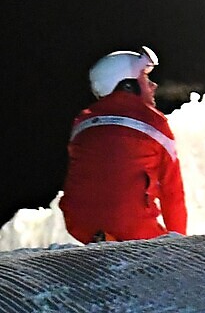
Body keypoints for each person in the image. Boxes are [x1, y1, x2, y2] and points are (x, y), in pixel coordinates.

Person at [60, 47, 187, 244]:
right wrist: (179, 244)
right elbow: (172, 193)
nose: (153, 85)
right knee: (158, 242)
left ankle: (107, 239)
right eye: (145, 78)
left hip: (79, 225)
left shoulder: (82, 122)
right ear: (128, 85)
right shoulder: (154, 122)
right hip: (133, 226)